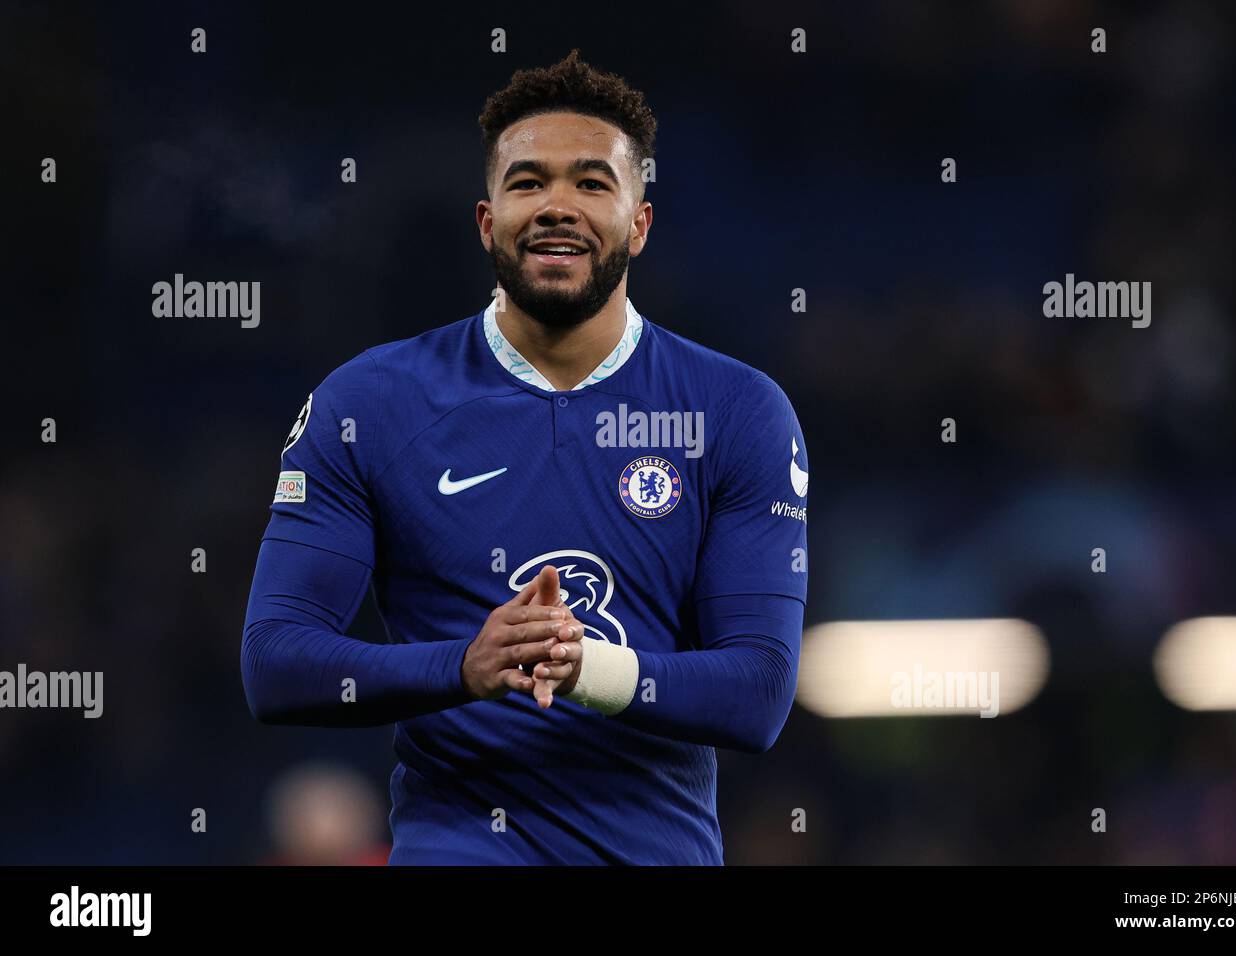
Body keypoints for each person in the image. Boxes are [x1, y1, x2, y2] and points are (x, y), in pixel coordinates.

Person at [241, 49, 810, 864]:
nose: (556, 206)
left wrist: (583, 667)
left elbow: (758, 694)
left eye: (591, 182)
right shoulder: (368, 403)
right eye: (527, 181)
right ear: (487, 221)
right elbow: (274, 663)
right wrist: (464, 667)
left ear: (639, 224)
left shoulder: (734, 410)